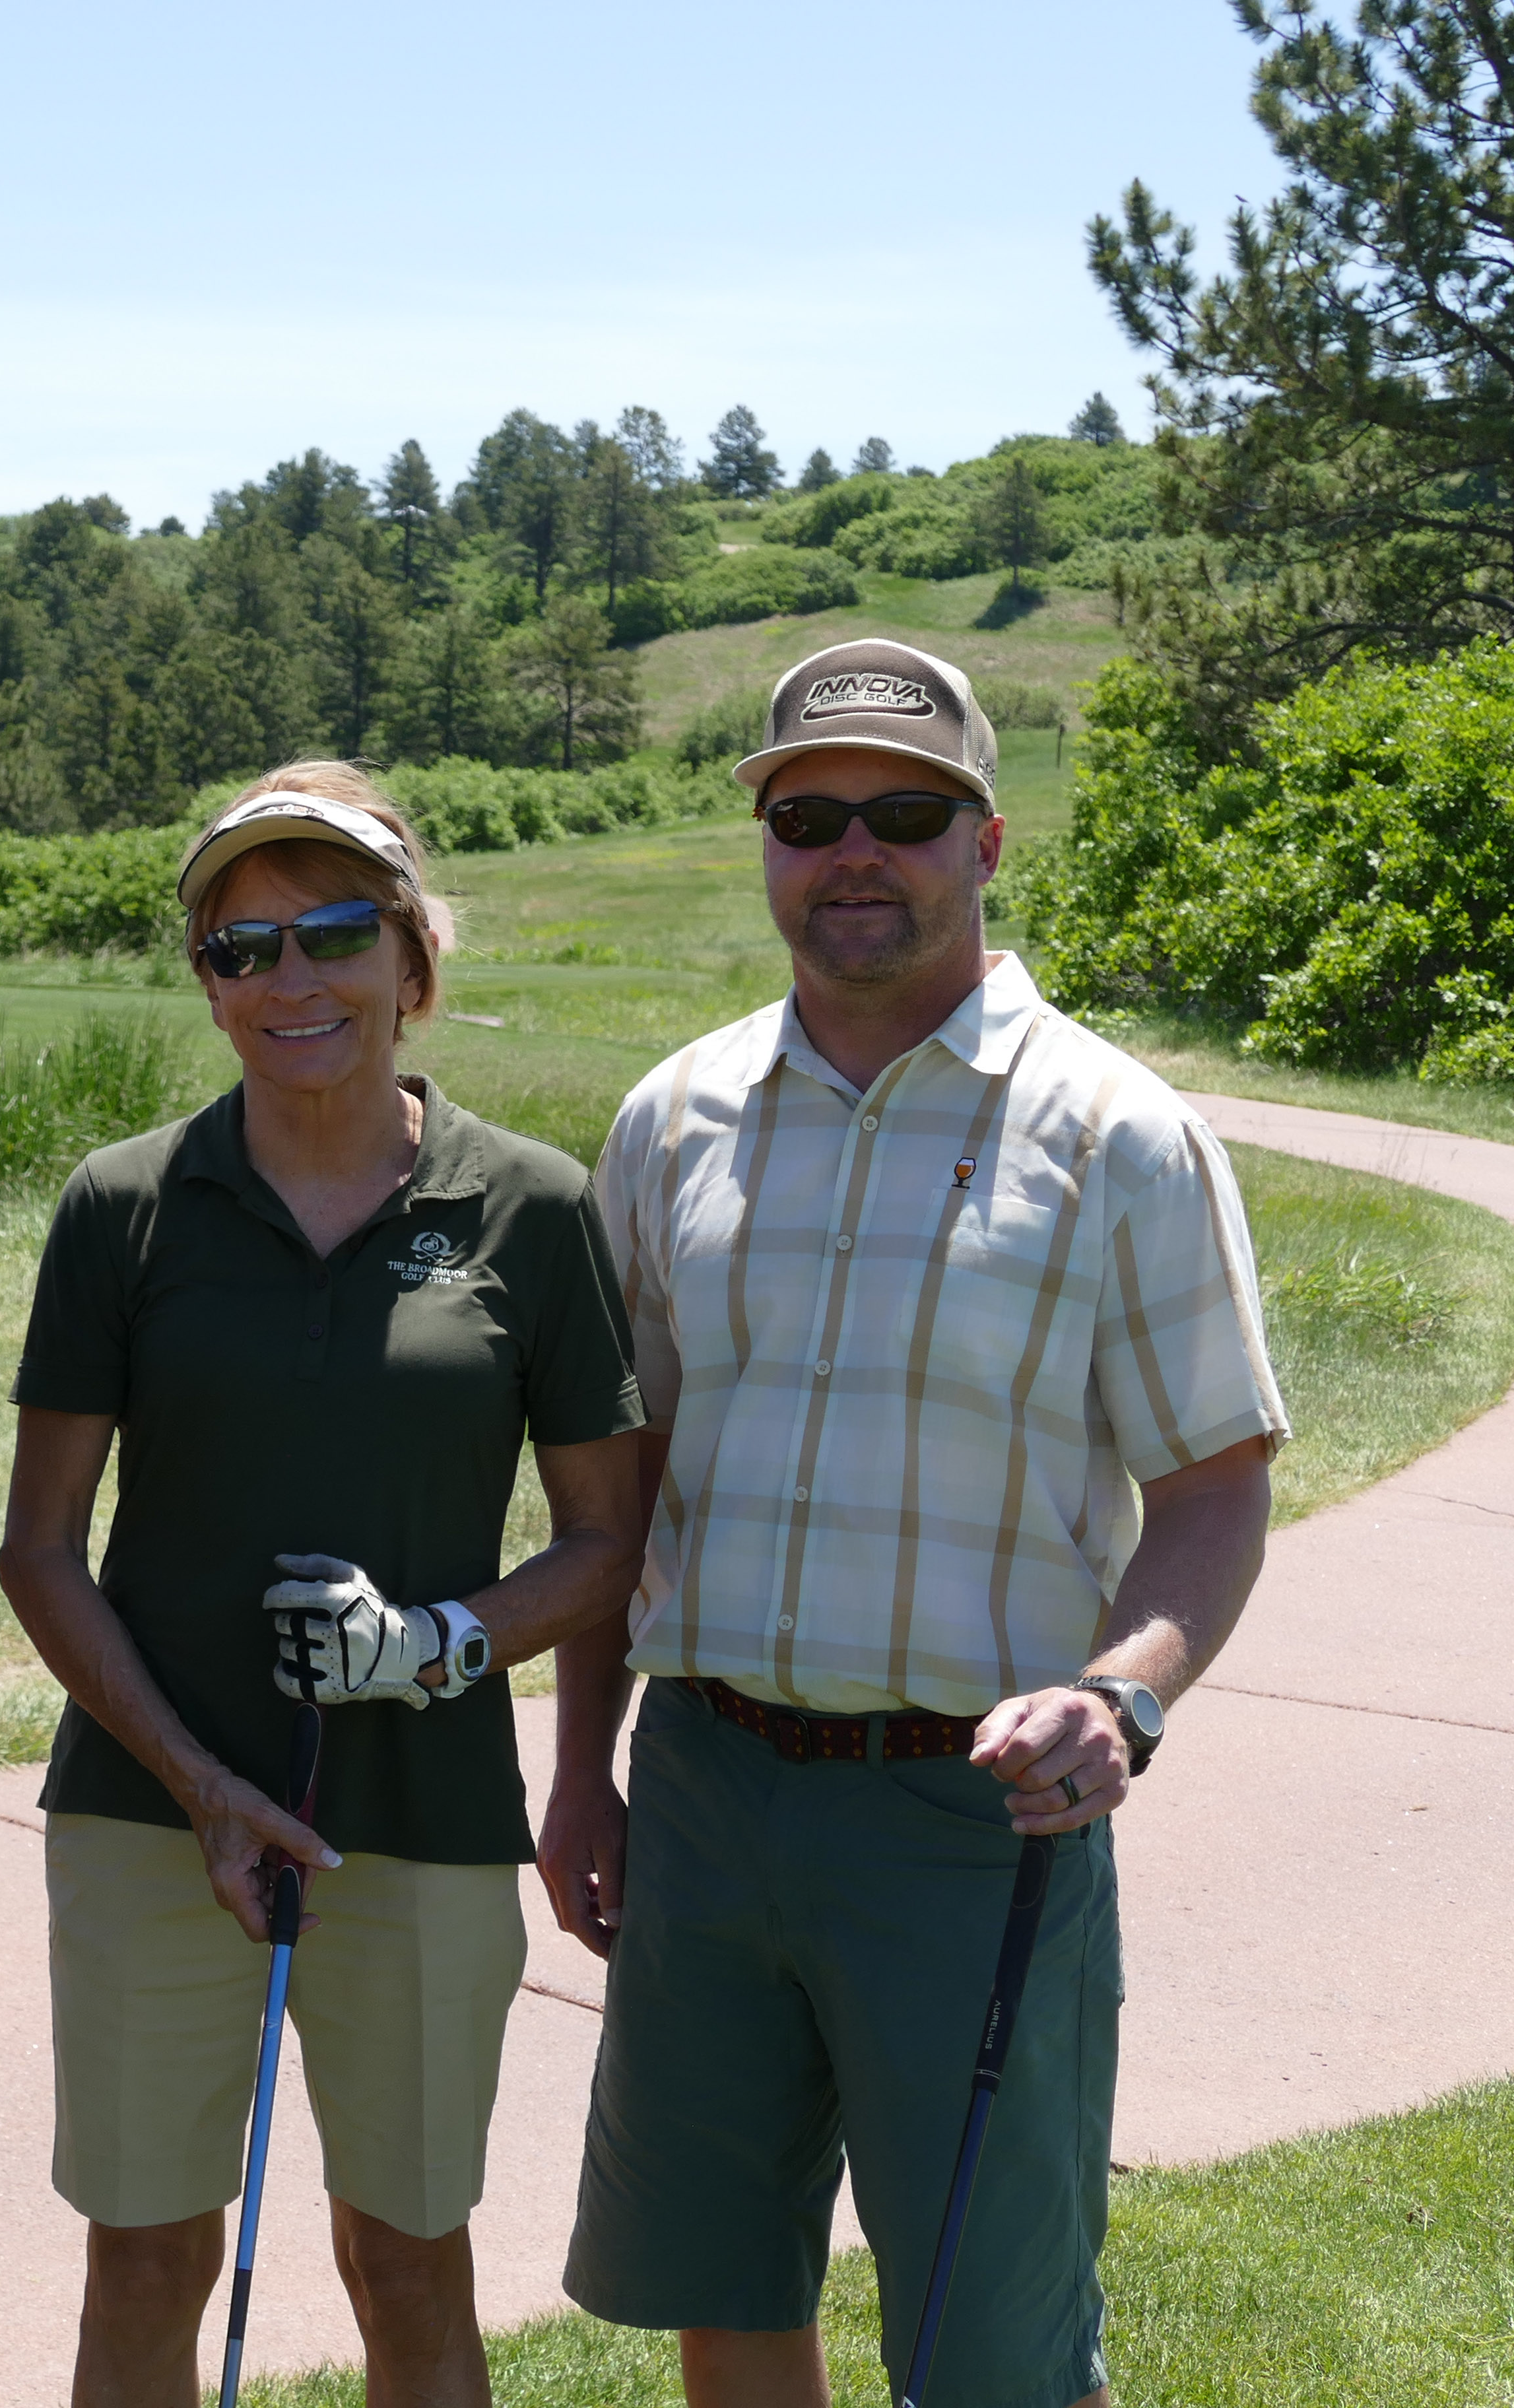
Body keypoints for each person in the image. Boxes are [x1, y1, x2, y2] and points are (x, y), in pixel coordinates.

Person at [549, 639, 1286, 2408]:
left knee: (993, 2346)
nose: (853, 850)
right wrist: (589, 1766)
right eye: (811, 816)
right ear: (768, 845)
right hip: (712, 1792)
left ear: (986, 840)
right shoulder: (672, 1121)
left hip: (975, 1818)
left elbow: (1213, 1487)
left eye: (905, 811)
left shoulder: (1121, 1137)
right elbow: (616, 1480)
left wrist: (1122, 1696)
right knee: (727, 2293)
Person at [0, 762, 651, 2408]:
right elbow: (41, 1548)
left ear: (414, 963)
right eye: (243, 947)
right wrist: (203, 1784)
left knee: (408, 2260)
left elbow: (603, 1541)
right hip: (154, 1813)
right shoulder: (126, 1205)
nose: (292, 980)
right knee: (147, 2255)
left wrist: (438, 1647)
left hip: (423, 1814)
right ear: (210, 986)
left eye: (337, 933)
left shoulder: (535, 1208)